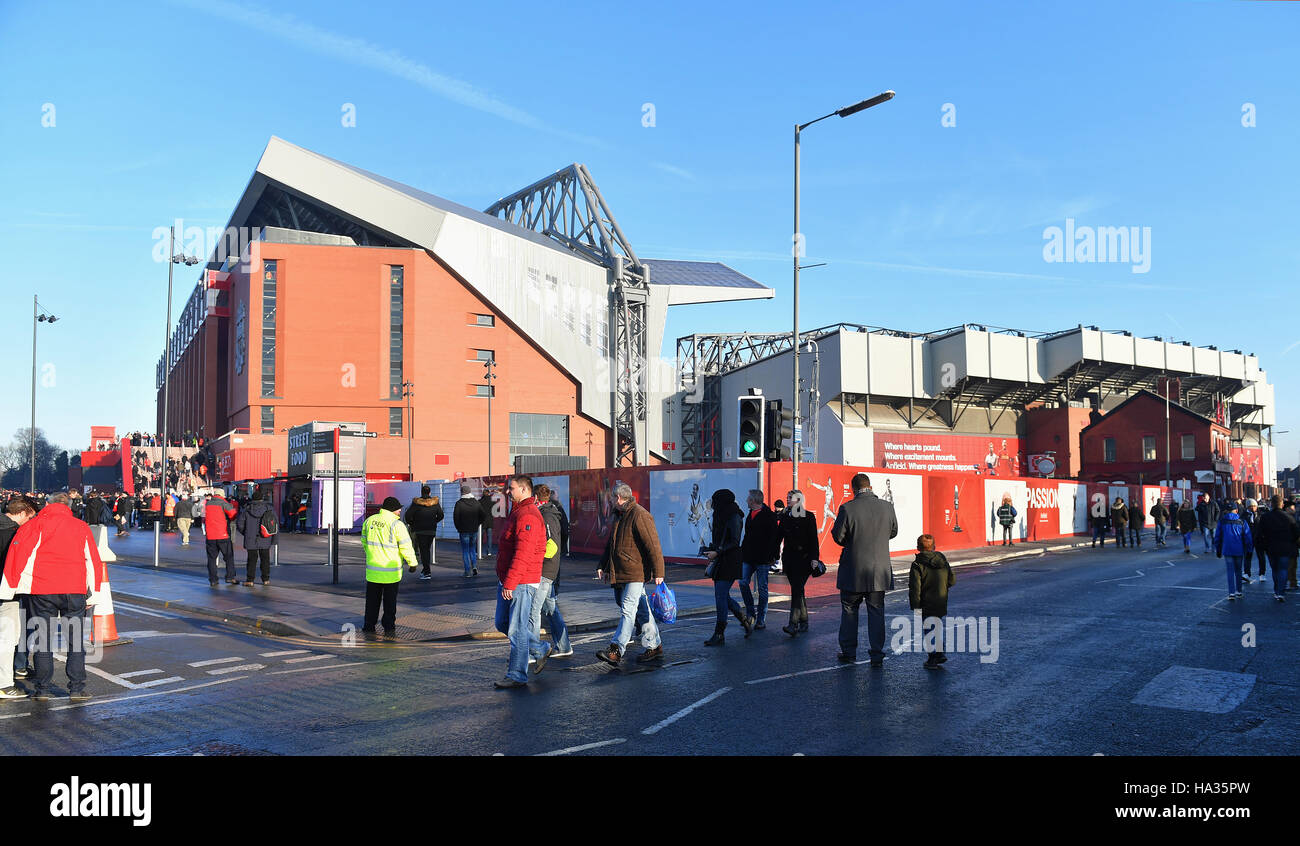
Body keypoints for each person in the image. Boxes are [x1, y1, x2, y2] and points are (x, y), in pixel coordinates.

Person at [0, 493, 105, 702]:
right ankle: (76, 688)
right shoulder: (80, 526)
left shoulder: (35, 524)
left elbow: (19, 555)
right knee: (75, 641)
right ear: (69, 505)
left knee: (42, 641)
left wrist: (9, 588)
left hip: (43, 589)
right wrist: (94, 593)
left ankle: (43, 689)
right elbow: (93, 560)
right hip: (74, 590)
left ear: (48, 504)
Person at [595, 482, 666, 665]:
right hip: (622, 571)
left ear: (618, 497)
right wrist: (603, 565)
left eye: (611, 497)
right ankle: (654, 645)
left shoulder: (639, 514)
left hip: (636, 571)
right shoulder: (620, 515)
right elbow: (611, 544)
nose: (610, 500)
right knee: (642, 611)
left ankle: (616, 649)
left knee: (628, 609)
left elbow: (653, 545)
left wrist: (659, 571)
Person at [832, 473, 898, 667]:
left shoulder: (847, 508)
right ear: (869, 486)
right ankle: (877, 653)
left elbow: (838, 537)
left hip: (853, 570)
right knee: (876, 612)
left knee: (849, 610)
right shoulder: (887, 507)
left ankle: (849, 652)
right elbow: (893, 532)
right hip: (879, 572)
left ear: (854, 488)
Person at [492, 476, 550, 689]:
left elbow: (523, 553)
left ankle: (517, 674)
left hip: (521, 581)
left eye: (512, 488)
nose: (508, 492)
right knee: (502, 623)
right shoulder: (519, 511)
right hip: (511, 579)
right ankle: (540, 648)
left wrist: (510, 582)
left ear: (524, 489)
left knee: (516, 628)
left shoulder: (528, 515)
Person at [362, 497, 417, 637]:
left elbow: (364, 541)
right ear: (392, 509)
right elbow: (406, 545)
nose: (400, 511)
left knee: (372, 601)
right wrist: (412, 563)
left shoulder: (369, 521)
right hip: (391, 572)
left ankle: (369, 625)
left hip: (373, 570)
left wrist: (371, 554)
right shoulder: (396, 524)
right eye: (398, 508)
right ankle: (388, 625)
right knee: (390, 601)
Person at [700, 488, 749, 646]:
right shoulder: (719, 514)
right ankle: (744, 619)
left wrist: (717, 551)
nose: (713, 504)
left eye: (715, 500)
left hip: (730, 559)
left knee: (720, 596)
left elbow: (734, 541)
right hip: (721, 558)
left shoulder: (734, 516)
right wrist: (710, 549)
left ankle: (719, 633)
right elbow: (720, 537)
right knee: (723, 596)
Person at [0, 497, 37, 699]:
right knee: (6, 639)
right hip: (7, 592)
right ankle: (4, 684)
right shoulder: (16, 532)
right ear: (22, 513)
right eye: (30, 516)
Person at [531, 485, 572, 659]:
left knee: (533, 611)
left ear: (535, 497)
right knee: (550, 608)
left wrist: (536, 559)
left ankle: (534, 652)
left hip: (545, 570)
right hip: (549, 568)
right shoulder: (549, 512)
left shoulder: (546, 515)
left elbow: (552, 545)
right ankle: (564, 646)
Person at [909, 534, 955, 670]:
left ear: (918, 547)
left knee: (929, 629)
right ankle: (940, 653)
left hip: (926, 602)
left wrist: (916, 607)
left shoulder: (917, 564)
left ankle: (933, 657)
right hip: (941, 600)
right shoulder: (942, 560)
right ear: (934, 546)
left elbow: (915, 588)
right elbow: (952, 580)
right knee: (937, 627)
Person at [778, 490, 819, 637]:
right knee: (798, 590)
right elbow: (778, 537)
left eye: (791, 498)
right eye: (787, 497)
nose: (787, 499)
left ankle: (793, 624)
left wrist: (815, 558)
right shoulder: (785, 516)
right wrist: (774, 555)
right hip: (789, 560)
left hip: (804, 560)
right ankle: (804, 621)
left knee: (796, 589)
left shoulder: (808, 516)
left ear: (799, 500)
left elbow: (814, 539)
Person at [739, 489, 780, 630]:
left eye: (748, 499)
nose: (746, 501)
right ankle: (751, 613)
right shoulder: (750, 515)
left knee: (763, 588)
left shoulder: (769, 516)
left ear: (753, 501)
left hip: (763, 558)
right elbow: (747, 536)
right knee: (743, 582)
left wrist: (774, 556)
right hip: (749, 556)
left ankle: (761, 619)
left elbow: (775, 538)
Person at [1256, 494, 1298, 601]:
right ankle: (1281, 592)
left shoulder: (1265, 517)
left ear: (1271, 504)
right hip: (1285, 547)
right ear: (1282, 504)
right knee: (1283, 570)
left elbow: (1259, 533)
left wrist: (1263, 545)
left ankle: (1276, 590)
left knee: (1274, 570)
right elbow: (1296, 533)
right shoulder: (1289, 518)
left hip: (1271, 547)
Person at [235, 490, 276, 586]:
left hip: (251, 538)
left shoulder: (247, 509)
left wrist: (246, 532)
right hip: (265, 537)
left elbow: (240, 523)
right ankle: (266, 579)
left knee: (251, 559)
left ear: (252, 498)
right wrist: (273, 538)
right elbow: (275, 523)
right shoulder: (269, 509)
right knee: (265, 559)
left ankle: (250, 580)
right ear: (262, 498)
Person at [1214, 502, 1252, 600]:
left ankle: (1231, 593)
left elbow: (1217, 537)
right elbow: (1248, 537)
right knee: (1238, 571)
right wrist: (1249, 549)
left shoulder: (1222, 522)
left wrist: (1218, 549)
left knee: (1230, 571)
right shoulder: (1242, 521)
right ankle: (1239, 591)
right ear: (1236, 510)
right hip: (1239, 549)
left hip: (1227, 549)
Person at [404, 487, 443, 580]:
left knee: (423, 550)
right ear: (430, 492)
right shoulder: (435, 503)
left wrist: (413, 523)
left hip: (420, 530)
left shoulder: (416, 503)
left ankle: (427, 572)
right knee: (426, 550)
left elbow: (407, 516)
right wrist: (434, 521)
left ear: (421, 492)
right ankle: (425, 570)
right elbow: (441, 515)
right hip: (431, 530)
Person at [203, 490, 239, 586]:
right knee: (228, 557)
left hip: (210, 536)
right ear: (223, 495)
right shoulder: (224, 503)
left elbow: (204, 517)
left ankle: (213, 580)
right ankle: (230, 577)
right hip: (223, 535)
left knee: (211, 559)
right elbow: (233, 514)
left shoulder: (208, 504)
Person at [452, 485, 483, 578]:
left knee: (465, 550)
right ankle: (474, 567)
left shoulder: (459, 503)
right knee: (472, 549)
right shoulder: (476, 503)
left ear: (462, 492)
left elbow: (456, 517)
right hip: (474, 529)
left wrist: (458, 527)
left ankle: (467, 571)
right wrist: (477, 523)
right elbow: (483, 515)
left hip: (463, 530)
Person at [1242, 499, 1267, 582]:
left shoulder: (1261, 514)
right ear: (1247, 507)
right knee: (1248, 556)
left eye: (1254, 506)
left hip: (1259, 538)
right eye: (1250, 506)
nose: (1253, 508)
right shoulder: (1244, 515)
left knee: (1261, 557)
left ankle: (1262, 574)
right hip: (1249, 538)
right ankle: (1246, 573)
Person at [479, 487, 499, 558]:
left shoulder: (480, 501)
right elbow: (497, 510)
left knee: (480, 537)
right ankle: (489, 551)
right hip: (490, 521)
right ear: (489, 493)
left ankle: (478, 550)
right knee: (489, 537)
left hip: (482, 522)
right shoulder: (492, 501)